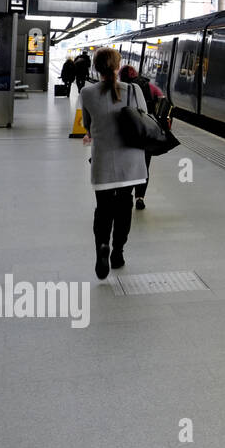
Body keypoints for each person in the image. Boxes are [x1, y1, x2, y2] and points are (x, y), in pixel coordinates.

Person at [80, 48, 148, 279]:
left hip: (103, 161)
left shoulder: (87, 93)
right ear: (118, 67)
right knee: (124, 206)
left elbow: (87, 126)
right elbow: (144, 119)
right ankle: (117, 252)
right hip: (130, 160)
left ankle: (102, 246)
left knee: (103, 208)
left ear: (96, 68)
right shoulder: (134, 90)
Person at [121, 64, 164, 211]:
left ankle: (125, 194)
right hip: (146, 132)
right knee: (144, 166)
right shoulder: (148, 86)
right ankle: (140, 197)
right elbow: (161, 98)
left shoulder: (120, 88)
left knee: (127, 165)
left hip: (126, 133)